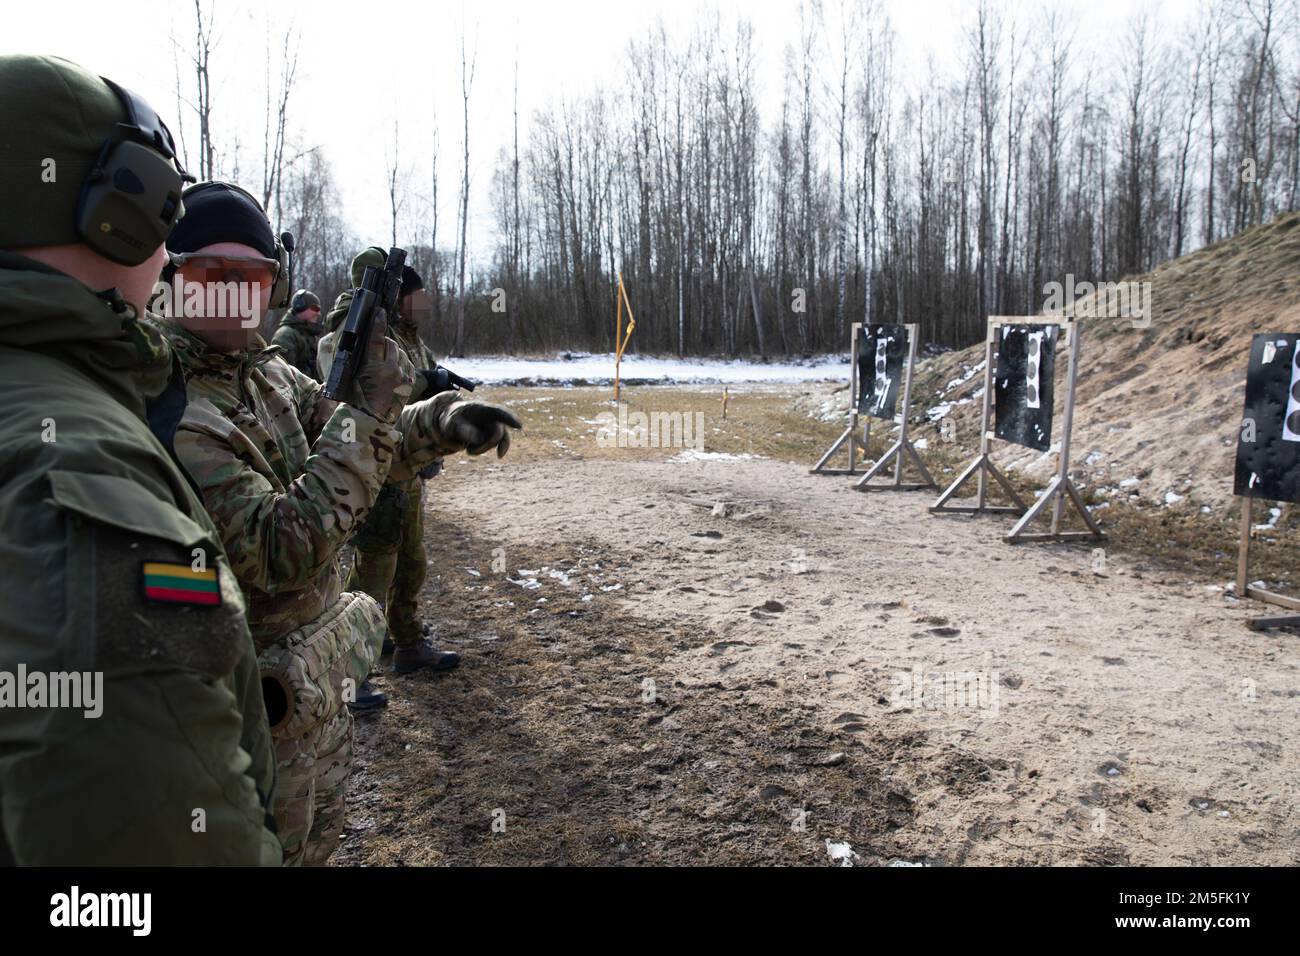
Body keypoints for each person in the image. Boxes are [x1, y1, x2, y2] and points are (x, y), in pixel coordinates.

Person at [157, 190, 522, 863]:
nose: (236, 295)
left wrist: (440, 423)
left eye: (255, 277)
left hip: (310, 694)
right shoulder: (171, 406)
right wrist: (375, 409)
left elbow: (347, 441)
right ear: (171, 277)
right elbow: (282, 548)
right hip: (235, 721)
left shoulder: (264, 375)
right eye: (215, 275)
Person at [0, 55, 280, 865]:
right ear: (116, 214)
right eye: (162, 221)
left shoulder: (74, 403)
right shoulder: (82, 473)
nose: (162, 255)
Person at [326, 260, 459, 674]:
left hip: (409, 465)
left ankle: (407, 641)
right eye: (417, 295)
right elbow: (371, 389)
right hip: (377, 464)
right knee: (374, 565)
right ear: (400, 299)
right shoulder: (361, 331)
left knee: (411, 561)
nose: (425, 302)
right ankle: (352, 667)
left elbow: (419, 387)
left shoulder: (410, 338)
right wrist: (425, 383)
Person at [271, 289, 324, 379]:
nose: (318, 313)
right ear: (301, 307)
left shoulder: (310, 335)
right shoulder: (285, 336)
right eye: (315, 308)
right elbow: (284, 377)